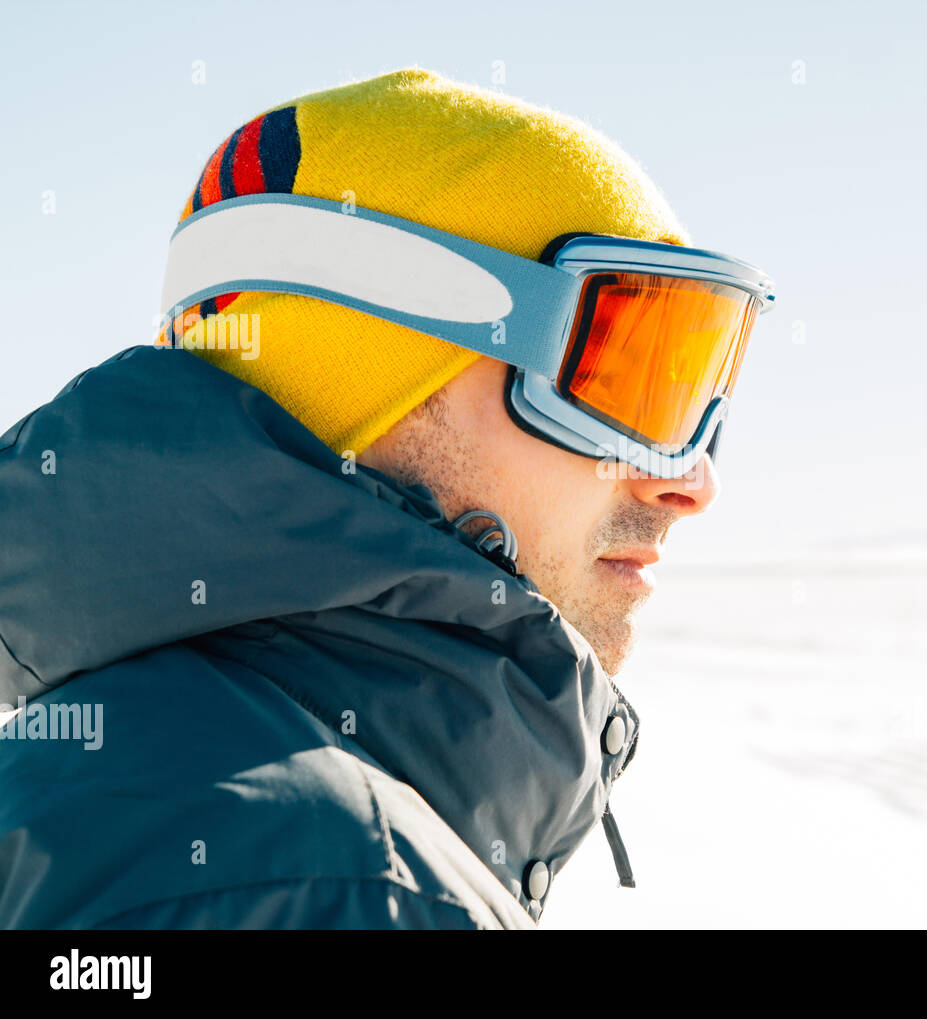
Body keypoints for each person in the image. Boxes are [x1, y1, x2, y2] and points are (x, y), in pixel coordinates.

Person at [0, 68, 774, 929]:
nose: (691, 478)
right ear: (371, 384)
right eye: (626, 373)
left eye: (699, 384)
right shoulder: (318, 877)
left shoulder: (140, 791)